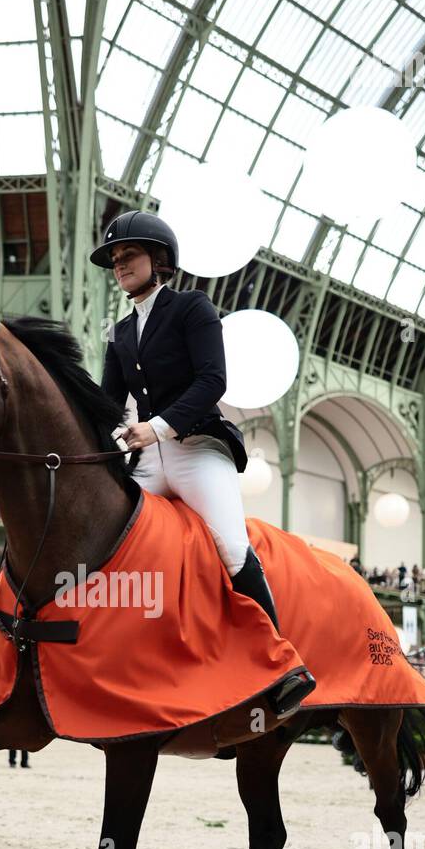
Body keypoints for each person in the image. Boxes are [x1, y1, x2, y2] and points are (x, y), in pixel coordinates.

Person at [92, 211, 281, 631]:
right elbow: (108, 400)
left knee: (232, 547)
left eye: (129, 254)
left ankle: (279, 654)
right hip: (147, 461)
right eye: (115, 258)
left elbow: (213, 380)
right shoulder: (119, 332)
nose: (119, 263)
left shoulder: (191, 306)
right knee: (107, 537)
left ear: (158, 258)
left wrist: (155, 426)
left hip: (197, 450)